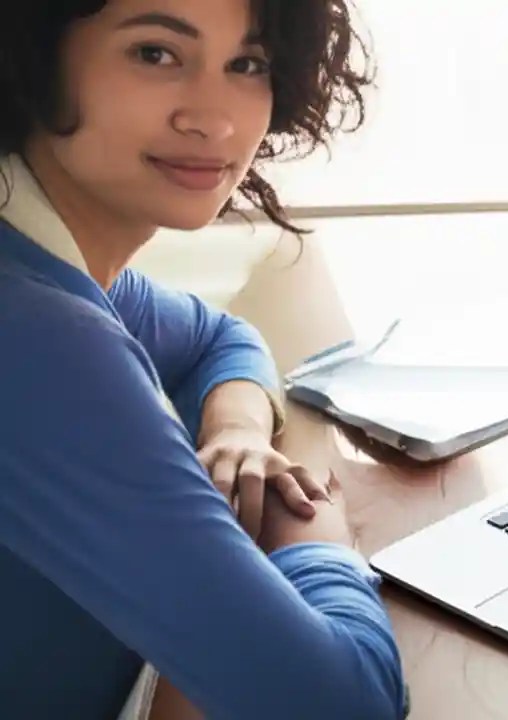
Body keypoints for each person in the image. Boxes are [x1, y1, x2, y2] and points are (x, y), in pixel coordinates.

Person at [0, 1, 409, 718]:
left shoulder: (52, 264)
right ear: (33, 55)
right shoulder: (36, 338)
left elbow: (222, 338)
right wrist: (317, 531)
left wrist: (239, 433)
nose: (215, 119)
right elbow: (339, 705)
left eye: (247, 65)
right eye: (155, 54)